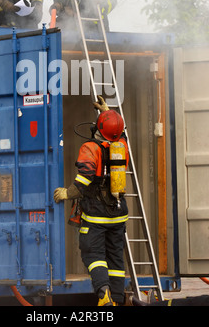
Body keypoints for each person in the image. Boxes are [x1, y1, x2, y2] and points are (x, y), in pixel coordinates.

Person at [53, 97, 129, 306]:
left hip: (96, 212)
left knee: (93, 254)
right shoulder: (121, 144)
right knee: (115, 259)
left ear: (98, 127)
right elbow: (119, 131)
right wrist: (108, 112)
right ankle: (118, 300)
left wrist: (66, 194)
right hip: (119, 211)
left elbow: (83, 182)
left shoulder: (90, 148)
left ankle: (104, 295)